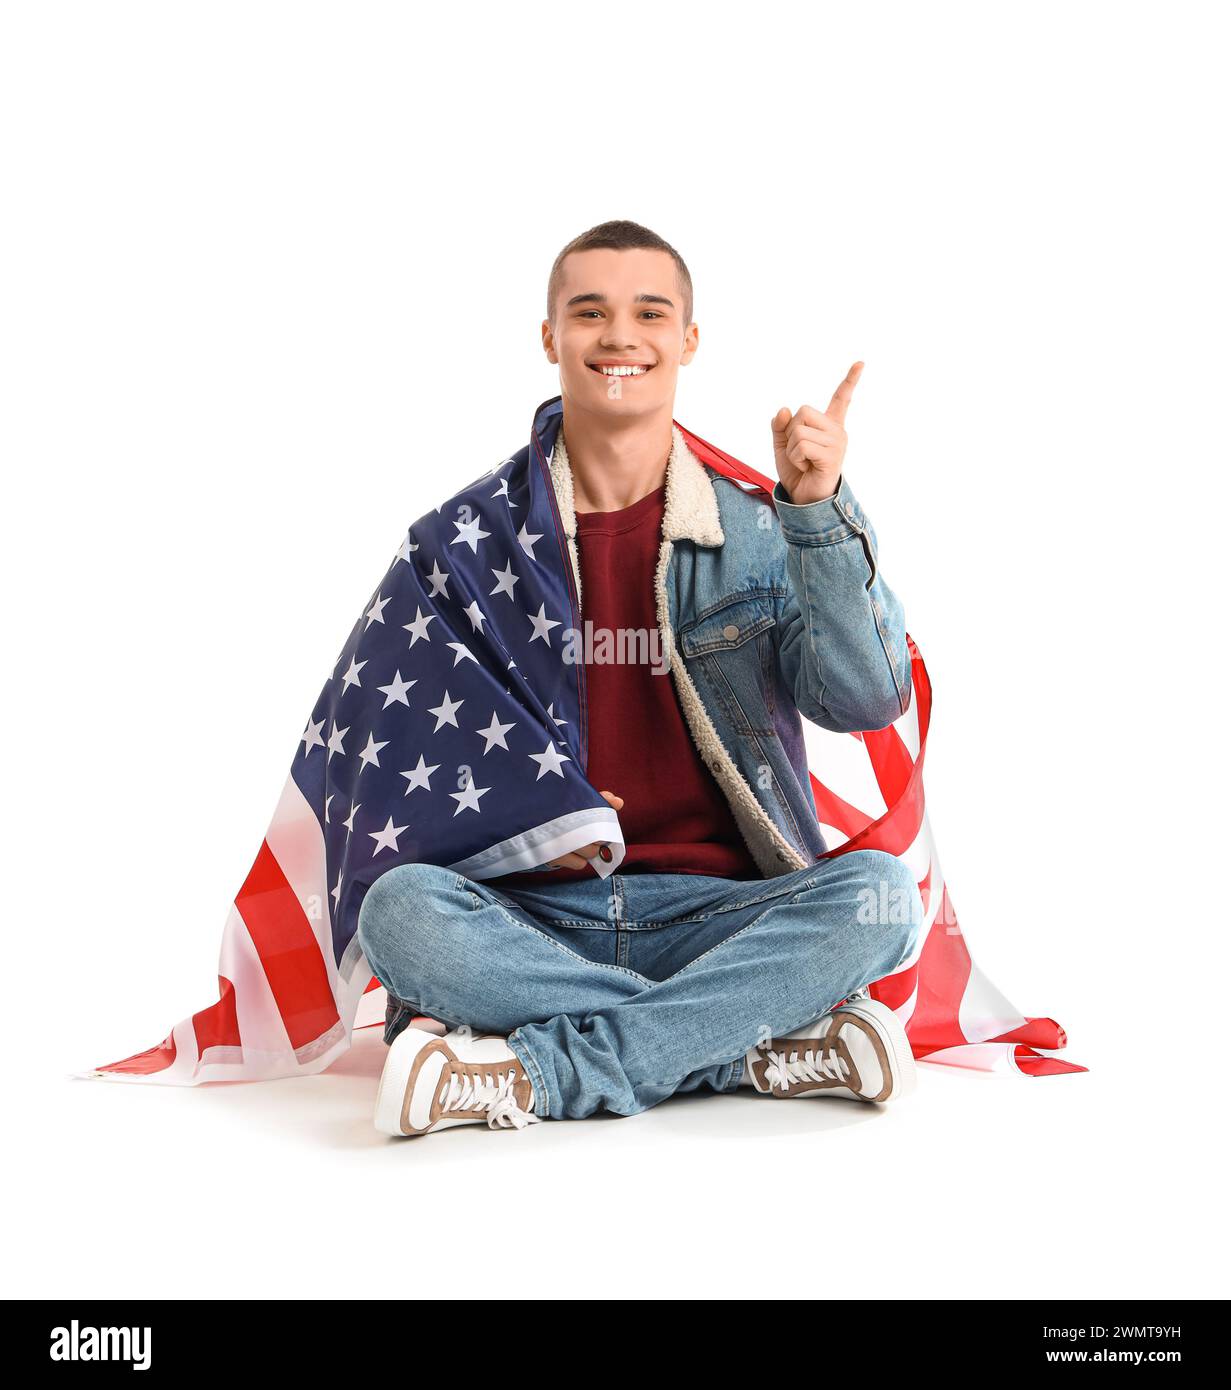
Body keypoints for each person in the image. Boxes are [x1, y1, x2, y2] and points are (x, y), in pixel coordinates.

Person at [357, 220, 924, 1138]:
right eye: (589, 312)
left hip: (725, 909)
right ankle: (744, 1044)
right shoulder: (463, 546)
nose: (620, 336)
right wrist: (527, 829)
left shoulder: (758, 531)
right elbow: (397, 767)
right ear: (550, 338)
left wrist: (817, 515)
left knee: (882, 899)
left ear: (687, 340)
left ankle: (536, 1071)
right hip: (536, 916)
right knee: (400, 914)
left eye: (649, 312)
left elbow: (863, 700)